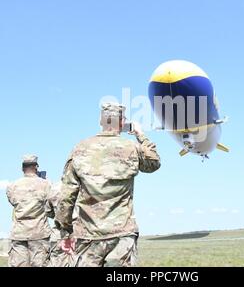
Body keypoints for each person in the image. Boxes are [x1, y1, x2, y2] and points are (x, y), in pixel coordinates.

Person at [55, 103, 161, 267]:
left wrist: (65, 232)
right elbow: (154, 163)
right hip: (122, 235)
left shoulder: (79, 149)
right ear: (122, 122)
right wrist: (141, 134)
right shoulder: (131, 148)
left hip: (88, 235)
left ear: (101, 121)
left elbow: (66, 197)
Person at [6, 155, 51, 267]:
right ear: (36, 167)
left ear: (22, 168)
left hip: (18, 233)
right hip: (39, 232)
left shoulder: (12, 186)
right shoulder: (46, 184)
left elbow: (13, 202)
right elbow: (50, 206)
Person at [46, 182, 76, 267]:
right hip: (79, 233)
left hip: (59, 233)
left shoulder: (54, 189)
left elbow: (48, 212)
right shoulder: (84, 187)